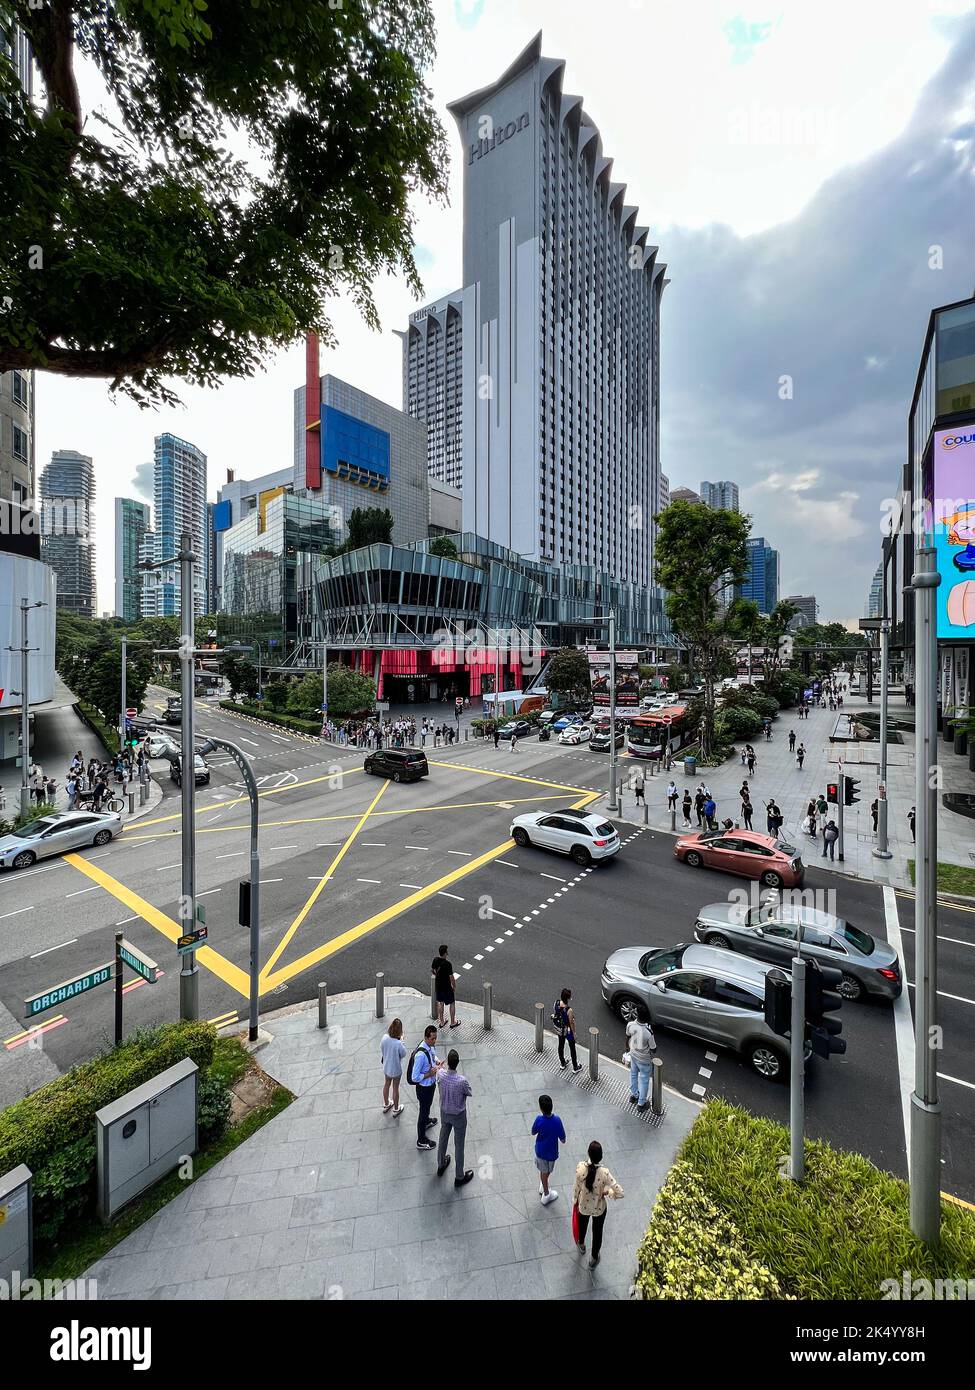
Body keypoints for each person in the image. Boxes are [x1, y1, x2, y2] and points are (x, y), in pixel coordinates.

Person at [572, 1140, 624, 1270]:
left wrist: (575, 1200)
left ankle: (581, 1244)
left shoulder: (580, 1168)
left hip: (583, 1205)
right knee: (597, 1232)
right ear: (601, 1156)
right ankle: (593, 1258)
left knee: (582, 1226)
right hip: (598, 1208)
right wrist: (608, 1192)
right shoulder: (605, 1173)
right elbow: (620, 1192)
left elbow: (576, 1188)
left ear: (588, 1153)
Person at [436, 1049, 474, 1186]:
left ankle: (441, 1164)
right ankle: (459, 1176)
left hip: (445, 1112)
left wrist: (440, 1067)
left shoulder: (440, 1075)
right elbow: (469, 1092)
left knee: (443, 1138)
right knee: (459, 1146)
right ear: (457, 1063)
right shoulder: (461, 1081)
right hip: (458, 1116)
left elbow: (439, 1071)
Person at [409, 1024, 443, 1150]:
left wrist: (437, 1062)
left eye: (435, 1038)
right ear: (426, 1037)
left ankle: (427, 1121)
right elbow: (415, 1077)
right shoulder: (420, 1055)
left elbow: (432, 1056)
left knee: (427, 1107)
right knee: (423, 1112)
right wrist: (430, 1073)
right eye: (432, 1039)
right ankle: (421, 1139)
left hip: (430, 1085)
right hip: (424, 1088)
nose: (434, 1041)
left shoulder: (429, 1047)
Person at [531, 1094, 566, 1206]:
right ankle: (546, 1194)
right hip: (552, 1153)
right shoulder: (557, 1120)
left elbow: (533, 1132)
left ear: (541, 1108)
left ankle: (543, 1184)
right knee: (547, 1172)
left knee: (543, 1171)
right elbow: (563, 1139)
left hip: (540, 1151)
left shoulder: (539, 1120)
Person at [625, 1014, 657, 1112]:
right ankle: (641, 1103)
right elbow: (654, 1049)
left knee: (633, 1075)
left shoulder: (630, 1025)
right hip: (644, 1060)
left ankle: (634, 1095)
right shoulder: (648, 1032)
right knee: (644, 1080)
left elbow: (627, 1037)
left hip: (633, 1055)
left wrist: (627, 1049)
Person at [381, 1017, 407, 1116]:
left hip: (386, 1067)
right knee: (395, 1088)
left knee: (386, 1084)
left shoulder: (384, 1038)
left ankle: (386, 1103)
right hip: (396, 1070)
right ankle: (396, 1109)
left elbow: (382, 1048)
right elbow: (403, 1053)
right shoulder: (398, 1043)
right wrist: (402, 1041)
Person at [553, 988, 582, 1072]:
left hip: (559, 1029)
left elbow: (556, 1013)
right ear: (568, 998)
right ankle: (575, 1067)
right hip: (568, 1031)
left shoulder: (556, 1003)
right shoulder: (569, 1010)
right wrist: (574, 1033)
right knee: (572, 1048)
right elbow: (571, 1023)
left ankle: (562, 1063)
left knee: (560, 1045)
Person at [431, 943, 460, 1029]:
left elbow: (432, 970)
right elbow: (451, 977)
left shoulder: (435, 960)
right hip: (446, 987)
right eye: (447, 952)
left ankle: (442, 1021)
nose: (447, 953)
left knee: (441, 1002)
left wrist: (437, 975)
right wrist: (454, 986)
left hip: (438, 985)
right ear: (445, 953)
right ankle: (453, 1022)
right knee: (452, 1003)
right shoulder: (448, 964)